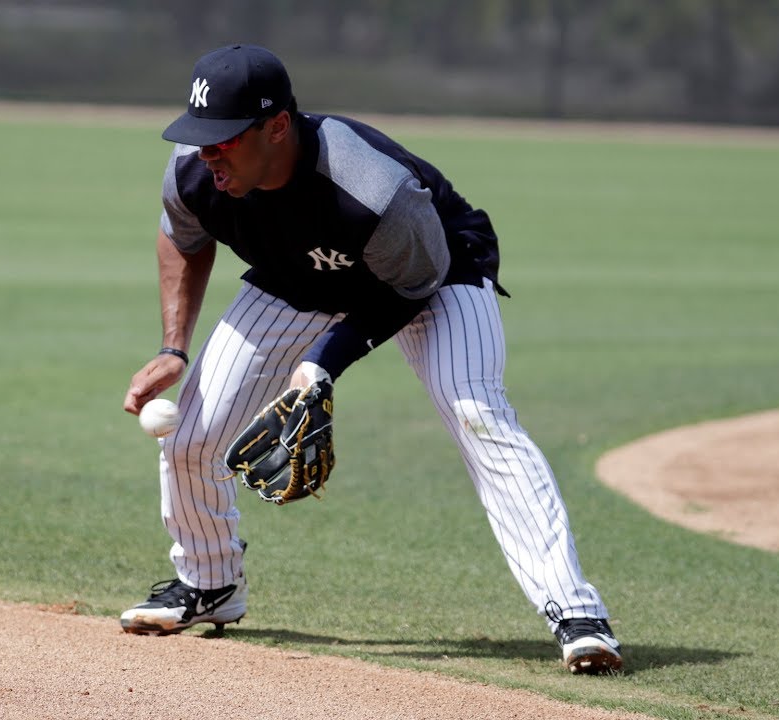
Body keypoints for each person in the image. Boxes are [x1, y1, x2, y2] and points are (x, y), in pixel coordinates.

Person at [120, 43, 623, 675]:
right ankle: (209, 584)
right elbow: (182, 239)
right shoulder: (195, 173)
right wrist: (173, 346)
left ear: (277, 126)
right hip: (298, 277)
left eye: (224, 138)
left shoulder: (370, 188)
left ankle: (575, 613)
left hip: (432, 275)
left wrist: (324, 361)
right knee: (192, 436)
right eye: (200, 136)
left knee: (478, 416)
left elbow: (409, 288)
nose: (208, 152)